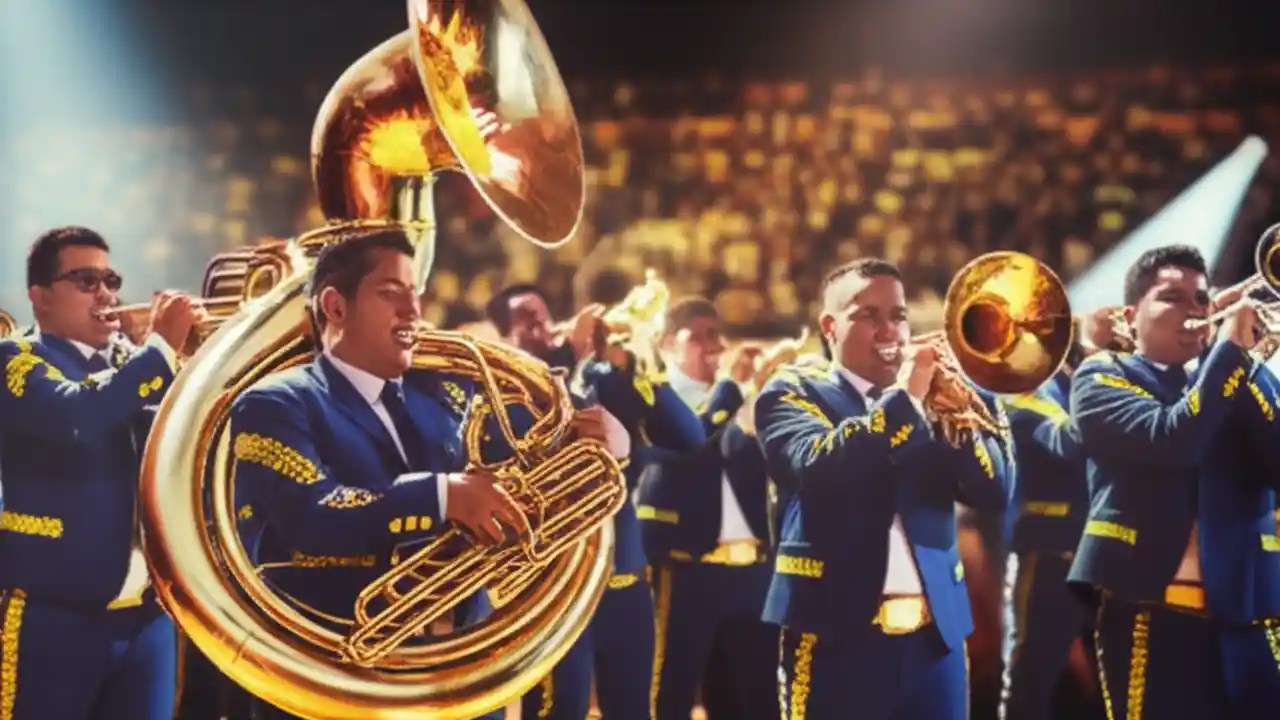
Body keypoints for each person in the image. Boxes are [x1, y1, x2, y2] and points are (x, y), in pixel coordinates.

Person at [229, 231, 630, 719]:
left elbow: (549, 440)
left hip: (462, 680)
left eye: (415, 294)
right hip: (339, 686)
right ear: (335, 307)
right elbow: (310, 516)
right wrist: (440, 497)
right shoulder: (275, 402)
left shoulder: (449, 393)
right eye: (390, 293)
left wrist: (605, 437)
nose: (413, 311)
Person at [755, 258, 1013, 720]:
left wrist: (956, 421)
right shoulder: (791, 392)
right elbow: (819, 467)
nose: (888, 329)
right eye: (867, 315)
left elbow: (995, 492)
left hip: (936, 641)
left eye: (897, 315)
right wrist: (907, 399)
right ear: (830, 326)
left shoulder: (939, 396)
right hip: (835, 638)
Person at [1068, 244, 1280, 719]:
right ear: (1130, 315)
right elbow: (1172, 439)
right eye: (1172, 298)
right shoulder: (1102, 375)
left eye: (1203, 299)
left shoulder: (1237, 373)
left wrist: (1241, 362)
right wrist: (1228, 352)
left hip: (1251, 616)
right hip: (1150, 615)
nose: (1194, 311)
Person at [0, 226, 197, 719]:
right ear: (39, 297)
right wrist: (160, 347)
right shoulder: (17, 361)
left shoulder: (142, 366)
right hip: (54, 614)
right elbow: (77, 415)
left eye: (111, 280)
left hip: (149, 616)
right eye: (86, 281)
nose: (107, 294)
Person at [488, 283, 656, 720]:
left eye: (545, 315)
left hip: (626, 584)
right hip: (556, 588)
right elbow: (558, 415)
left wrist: (630, 359)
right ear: (505, 337)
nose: (543, 326)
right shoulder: (502, 394)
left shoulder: (597, 375)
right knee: (560, 711)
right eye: (527, 319)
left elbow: (686, 435)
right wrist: (576, 359)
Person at [637, 297, 778, 720]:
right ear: (666, 344)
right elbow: (691, 441)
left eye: (715, 333)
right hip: (686, 569)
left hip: (752, 568)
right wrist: (733, 390)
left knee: (758, 696)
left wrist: (761, 390)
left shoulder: (742, 398)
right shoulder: (657, 398)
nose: (710, 344)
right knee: (671, 691)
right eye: (695, 336)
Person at [999, 336, 1100, 720]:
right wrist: (1096, 378)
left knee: (1115, 675)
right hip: (1049, 557)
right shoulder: (1017, 407)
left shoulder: (1064, 393)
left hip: (1096, 553)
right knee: (1033, 675)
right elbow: (1067, 444)